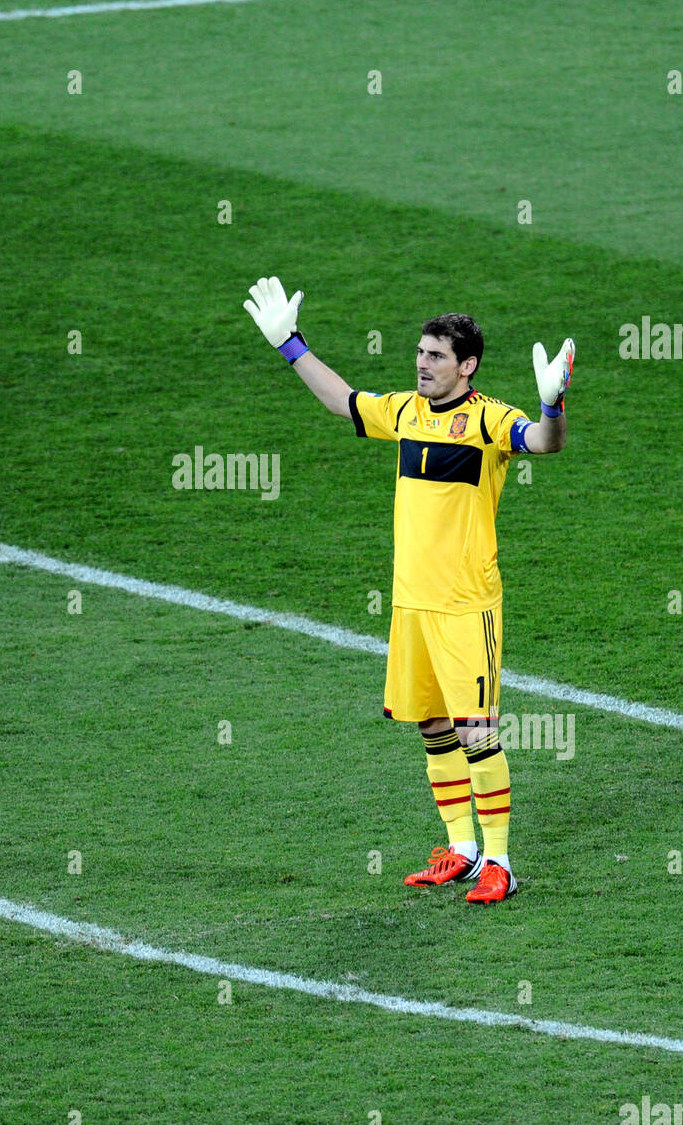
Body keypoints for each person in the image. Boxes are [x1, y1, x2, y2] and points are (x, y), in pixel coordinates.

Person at [244, 275, 574, 903]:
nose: (422, 364)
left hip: (465, 605)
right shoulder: (406, 412)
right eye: (420, 353)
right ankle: (461, 848)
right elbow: (344, 400)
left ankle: (500, 861)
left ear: (466, 365)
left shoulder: (489, 420)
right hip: (411, 603)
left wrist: (553, 405)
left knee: (478, 730)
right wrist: (290, 344)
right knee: (431, 724)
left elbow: (542, 443)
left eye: (436, 357)